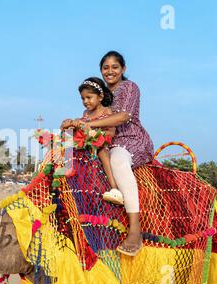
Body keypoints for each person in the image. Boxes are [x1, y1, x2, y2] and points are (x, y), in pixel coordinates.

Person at [72, 51, 154, 256]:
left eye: (115, 67)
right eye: (106, 68)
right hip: (105, 143)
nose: (110, 71)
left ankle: (135, 230)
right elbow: (89, 117)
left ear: (123, 69)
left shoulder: (129, 87)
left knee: (117, 161)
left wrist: (87, 124)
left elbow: (123, 117)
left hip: (130, 140)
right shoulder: (99, 94)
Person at [61, 77, 124, 206]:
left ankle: (114, 188)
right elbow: (81, 126)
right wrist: (70, 124)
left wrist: (95, 134)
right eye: (83, 98)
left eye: (89, 97)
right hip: (88, 144)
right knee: (67, 136)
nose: (85, 101)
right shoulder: (86, 113)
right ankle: (66, 170)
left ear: (100, 97)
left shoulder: (107, 111)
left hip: (104, 144)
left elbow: (111, 132)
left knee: (101, 149)